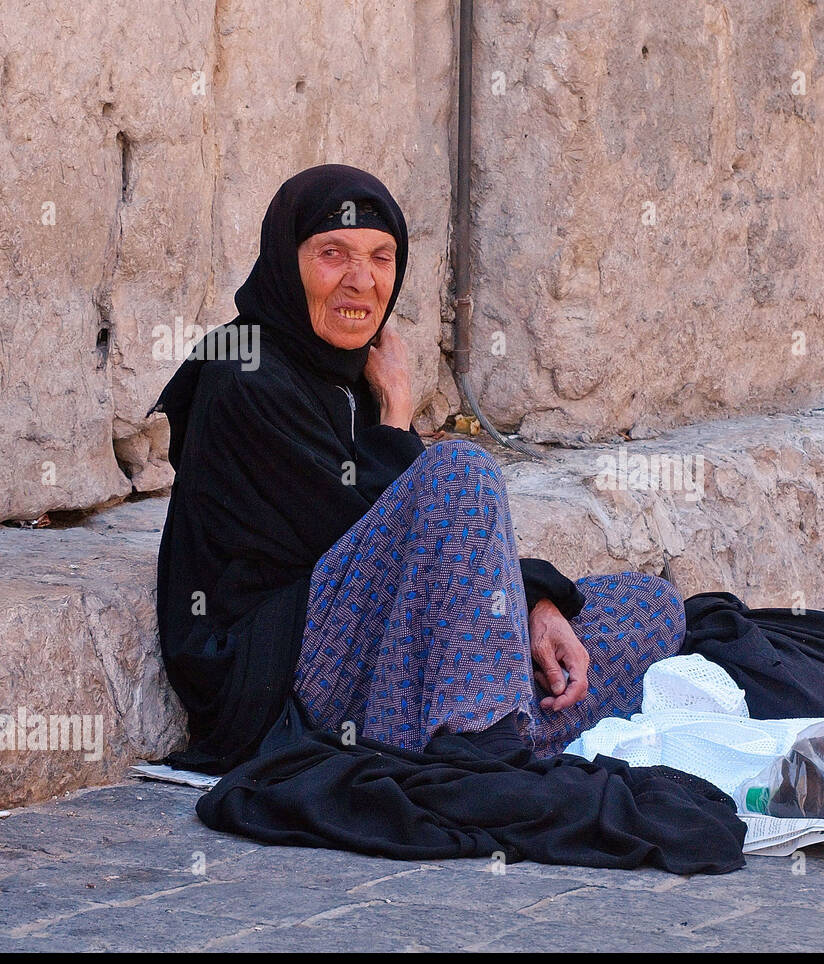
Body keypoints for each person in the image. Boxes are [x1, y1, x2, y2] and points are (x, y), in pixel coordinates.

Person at [153, 165, 685, 772]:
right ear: (286, 261)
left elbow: (425, 553)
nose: (361, 281)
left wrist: (537, 603)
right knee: (460, 469)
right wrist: (397, 414)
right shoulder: (246, 375)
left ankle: (488, 733)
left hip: (383, 644)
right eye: (333, 254)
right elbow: (368, 529)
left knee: (649, 605)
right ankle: (480, 743)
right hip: (277, 672)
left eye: (381, 257)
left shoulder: (348, 374)